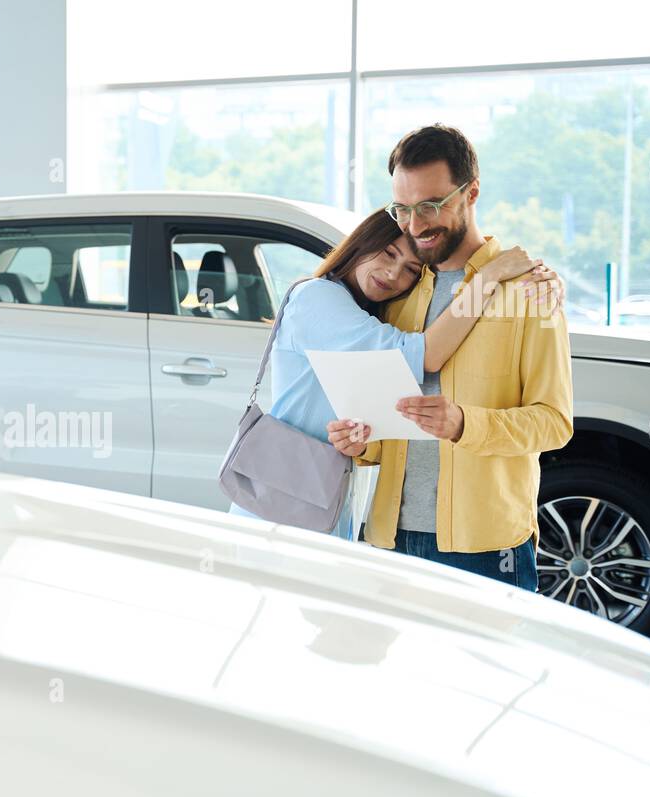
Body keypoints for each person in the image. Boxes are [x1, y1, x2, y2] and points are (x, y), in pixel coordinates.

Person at [328, 123, 573, 590]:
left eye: (430, 206)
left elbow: (554, 423)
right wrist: (362, 444)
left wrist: (465, 424)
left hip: (485, 549)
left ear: (471, 192)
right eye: (402, 209)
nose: (415, 225)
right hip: (389, 537)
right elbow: (389, 418)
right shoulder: (399, 291)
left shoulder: (529, 290)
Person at [228, 207, 553, 540]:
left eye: (411, 269)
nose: (393, 274)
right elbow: (424, 355)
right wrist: (488, 276)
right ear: (362, 242)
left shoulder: (366, 312)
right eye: (388, 253)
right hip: (280, 502)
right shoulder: (317, 298)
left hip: (319, 498)